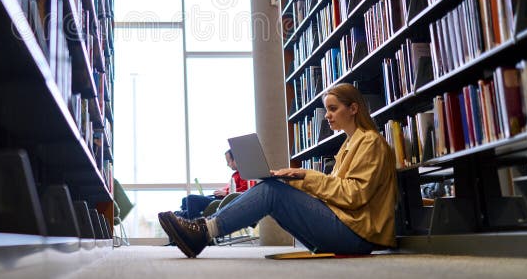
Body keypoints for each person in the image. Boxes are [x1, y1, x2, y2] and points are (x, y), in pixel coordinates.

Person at [158, 83, 397, 258]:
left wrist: (306, 176)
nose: (327, 116)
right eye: (327, 110)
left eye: (333, 109)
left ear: (353, 108)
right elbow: (337, 193)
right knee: (275, 187)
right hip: (348, 228)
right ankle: (204, 227)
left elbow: (353, 195)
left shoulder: (370, 142)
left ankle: (203, 231)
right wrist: (294, 180)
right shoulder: (349, 144)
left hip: (357, 234)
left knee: (271, 192)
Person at [175, 149, 248, 220]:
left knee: (191, 198)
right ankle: (182, 217)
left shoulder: (243, 174)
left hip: (222, 201)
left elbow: (244, 191)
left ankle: (194, 224)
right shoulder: (235, 175)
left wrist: (226, 192)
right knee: (185, 200)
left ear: (235, 159)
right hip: (218, 198)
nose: (227, 164)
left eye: (228, 161)